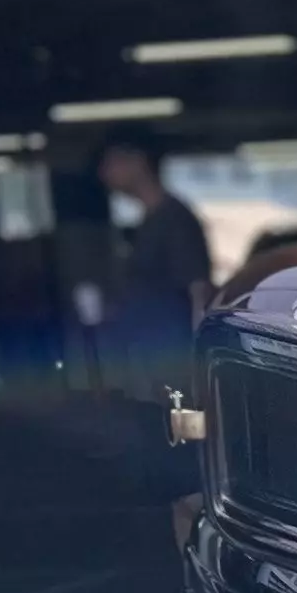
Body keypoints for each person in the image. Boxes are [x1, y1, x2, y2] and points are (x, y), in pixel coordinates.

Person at [96, 135, 213, 398]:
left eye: (110, 163)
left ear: (138, 162)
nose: (104, 174)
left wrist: (196, 359)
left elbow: (198, 289)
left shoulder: (175, 220)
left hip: (175, 358)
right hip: (151, 356)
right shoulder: (149, 222)